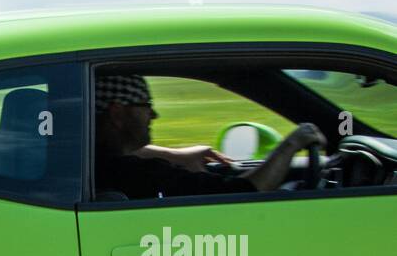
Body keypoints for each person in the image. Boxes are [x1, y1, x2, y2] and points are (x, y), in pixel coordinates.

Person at [95, 73, 327, 199]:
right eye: (146, 105)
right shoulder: (138, 172)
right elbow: (243, 193)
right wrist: (293, 143)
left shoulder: (91, 161)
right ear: (117, 113)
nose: (154, 115)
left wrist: (174, 155)